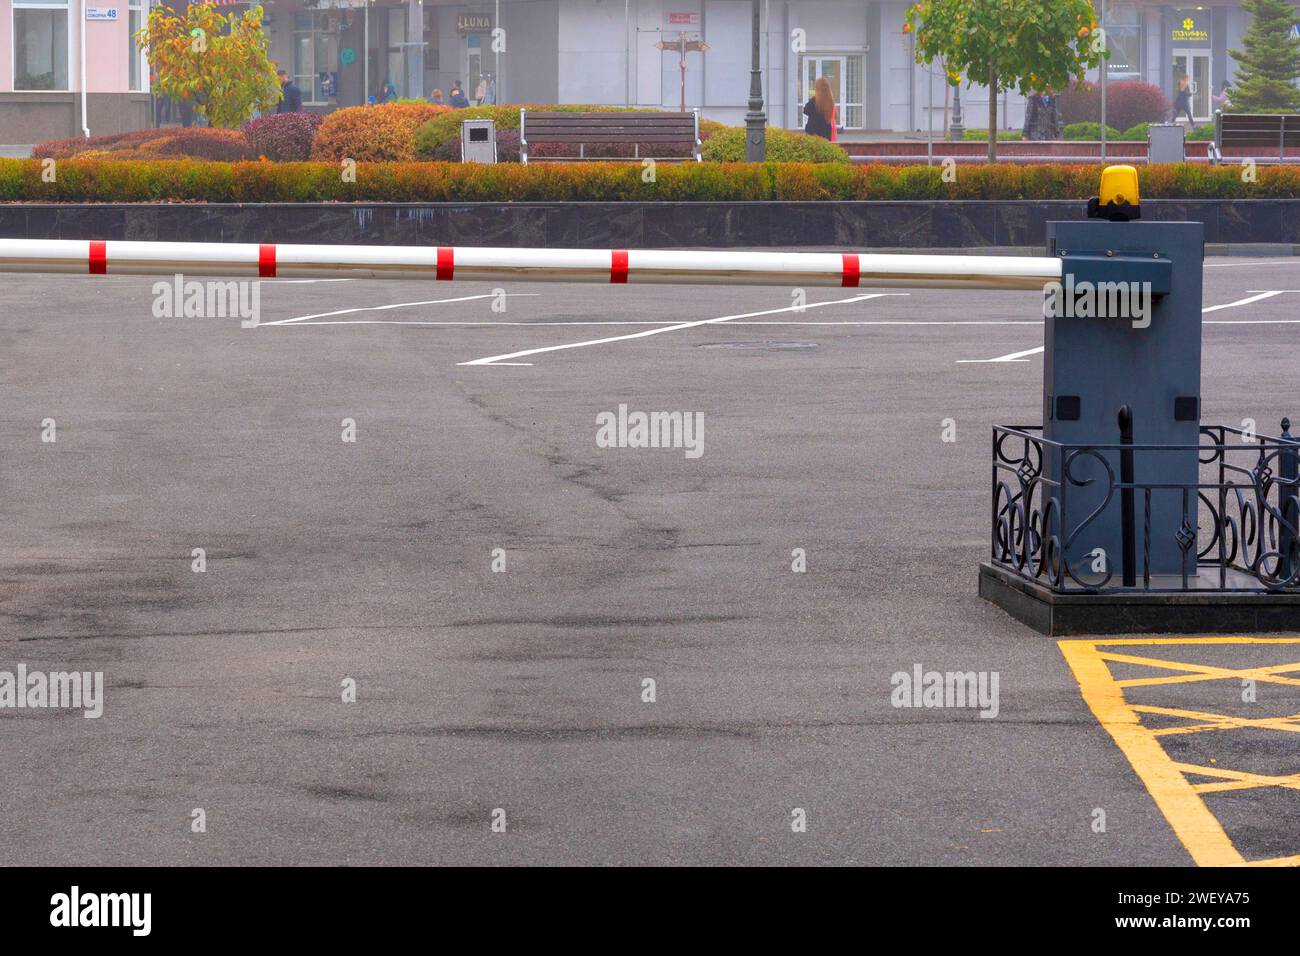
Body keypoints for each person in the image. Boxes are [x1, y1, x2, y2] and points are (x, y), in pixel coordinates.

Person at [803, 76, 835, 141]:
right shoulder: (830, 101)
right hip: (826, 135)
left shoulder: (814, 101)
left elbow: (805, 111)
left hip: (813, 135)